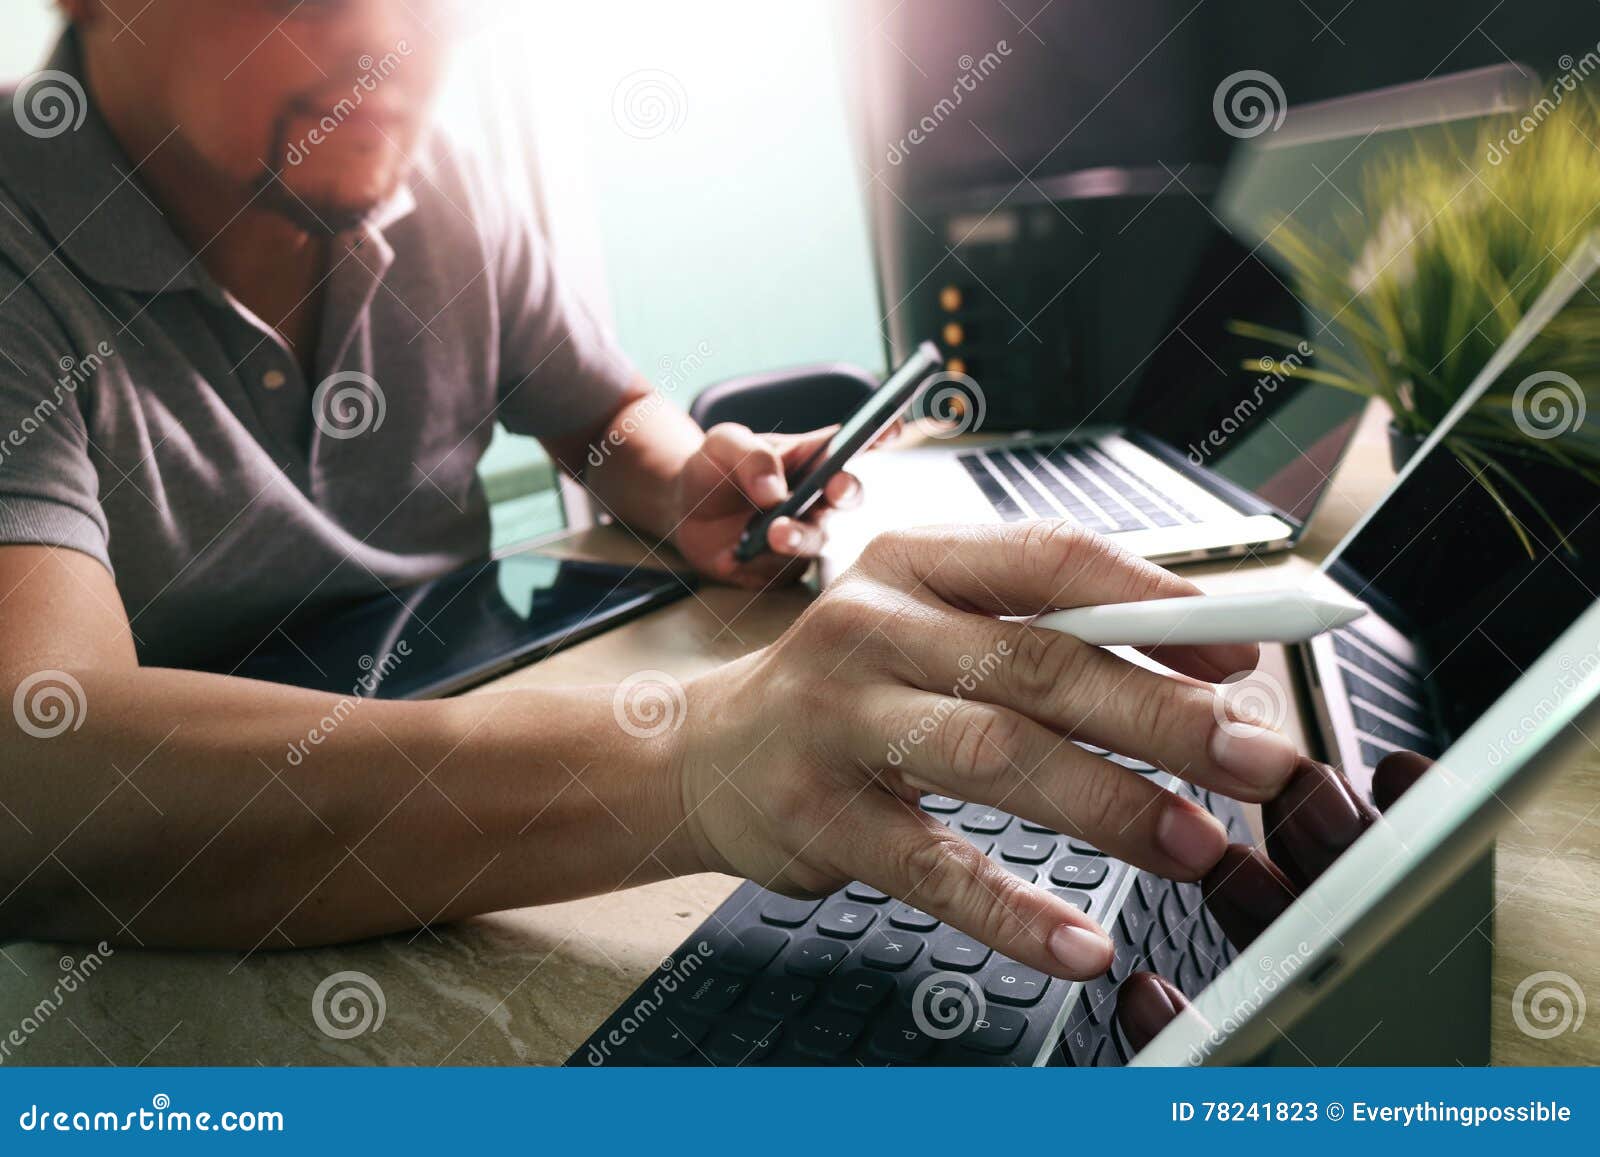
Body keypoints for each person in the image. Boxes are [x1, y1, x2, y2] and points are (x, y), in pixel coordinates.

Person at [0, 0, 1298, 985]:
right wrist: (695, 762)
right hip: (154, 956)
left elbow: (605, 411)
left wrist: (685, 477)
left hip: (474, 799)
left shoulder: (437, 174)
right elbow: (44, 780)